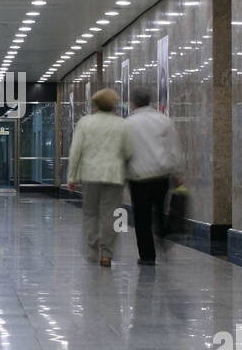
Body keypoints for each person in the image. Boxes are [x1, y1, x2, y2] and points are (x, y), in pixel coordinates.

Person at [67, 88, 131, 267]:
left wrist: (72, 177)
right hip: (114, 175)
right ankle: (106, 254)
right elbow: (129, 151)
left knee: (90, 213)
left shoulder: (85, 123)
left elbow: (75, 151)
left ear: (95, 104)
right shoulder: (122, 124)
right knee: (111, 215)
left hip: (90, 175)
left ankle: (92, 241)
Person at [125, 87, 180, 266]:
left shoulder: (128, 123)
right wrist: (177, 172)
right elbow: (173, 148)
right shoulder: (163, 120)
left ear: (134, 103)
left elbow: (124, 151)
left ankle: (147, 256)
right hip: (161, 176)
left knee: (142, 218)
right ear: (149, 101)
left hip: (138, 178)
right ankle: (164, 234)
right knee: (160, 210)